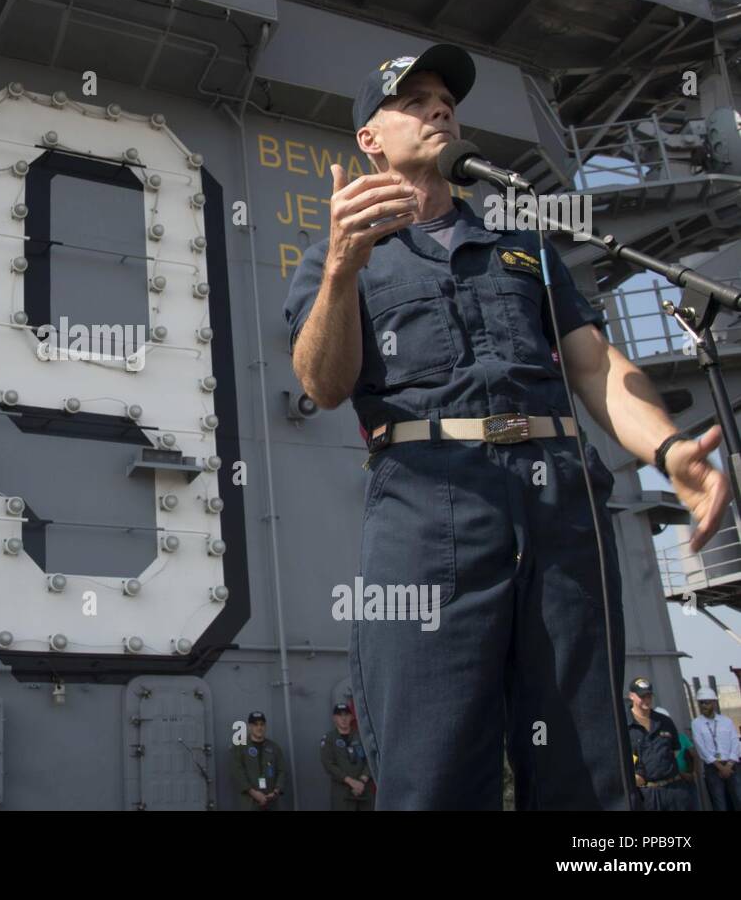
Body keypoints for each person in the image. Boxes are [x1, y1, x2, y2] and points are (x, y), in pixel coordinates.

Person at [283, 44, 729, 810]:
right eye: (413, 99)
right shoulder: (340, 257)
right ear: (369, 139)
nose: (439, 108)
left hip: (561, 510)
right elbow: (322, 384)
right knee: (432, 770)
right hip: (431, 510)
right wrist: (341, 273)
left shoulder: (524, 249)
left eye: (445, 99)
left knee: (588, 769)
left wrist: (667, 449)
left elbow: (594, 366)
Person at [627, 678, 696, 811]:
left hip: (675, 790)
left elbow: (675, 750)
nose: (647, 700)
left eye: (649, 696)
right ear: (631, 696)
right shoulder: (624, 726)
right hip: (649, 795)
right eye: (642, 696)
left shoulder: (665, 721)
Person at [692, 687, 740, 811]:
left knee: (738, 798)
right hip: (713, 767)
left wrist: (728, 765)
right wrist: (720, 767)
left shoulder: (726, 721)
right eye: (701, 703)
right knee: (720, 804)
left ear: (714, 702)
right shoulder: (696, 723)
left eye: (706, 702)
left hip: (732, 765)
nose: (703, 705)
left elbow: (735, 742)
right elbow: (701, 748)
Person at [319, 702, 373, 811]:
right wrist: (351, 782)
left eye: (346, 715)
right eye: (339, 715)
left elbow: (371, 758)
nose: (343, 719)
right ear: (334, 718)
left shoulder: (361, 736)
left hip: (364, 791)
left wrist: (362, 781)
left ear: (351, 717)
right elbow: (329, 764)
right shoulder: (329, 739)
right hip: (343, 793)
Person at [231, 710, 286, 810]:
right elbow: (237, 771)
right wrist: (253, 792)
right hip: (249, 802)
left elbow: (282, 770)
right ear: (250, 726)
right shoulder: (240, 747)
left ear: (265, 726)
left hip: (271, 802)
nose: (259, 727)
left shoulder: (274, 747)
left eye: (262, 724)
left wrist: (276, 791)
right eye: (255, 724)